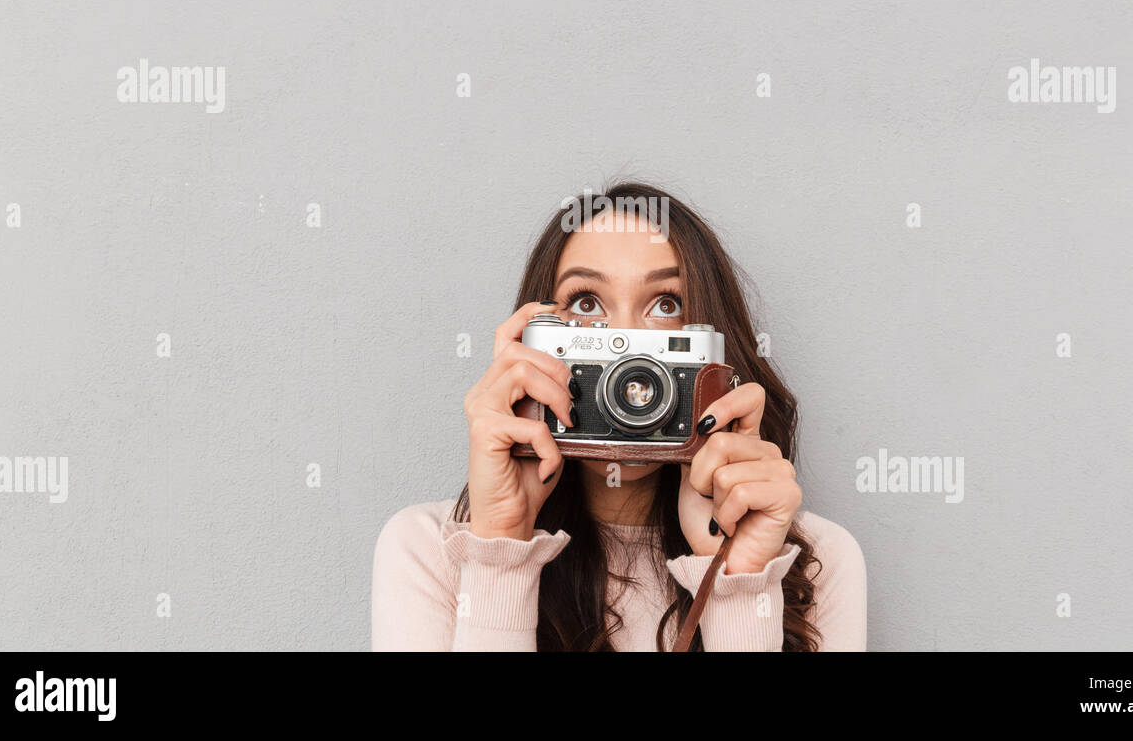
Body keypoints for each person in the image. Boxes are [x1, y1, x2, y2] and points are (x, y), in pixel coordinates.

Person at [371, 181, 866, 650]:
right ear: (530, 345)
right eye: (587, 303)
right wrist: (501, 545)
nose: (625, 346)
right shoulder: (427, 551)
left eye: (667, 303)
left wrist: (737, 579)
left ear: (717, 350)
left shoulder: (815, 562)